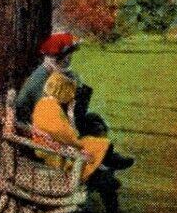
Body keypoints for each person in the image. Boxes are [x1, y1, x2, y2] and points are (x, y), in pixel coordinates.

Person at [17, 32, 134, 166]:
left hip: (58, 122)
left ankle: (105, 158)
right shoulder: (41, 80)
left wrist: (78, 95)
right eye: (65, 57)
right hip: (41, 134)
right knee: (83, 129)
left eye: (69, 56)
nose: (68, 60)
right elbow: (50, 115)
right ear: (55, 58)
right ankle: (99, 165)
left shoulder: (59, 73)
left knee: (94, 120)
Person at [31, 72, 123, 213]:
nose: (71, 96)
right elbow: (71, 136)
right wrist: (71, 115)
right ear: (62, 91)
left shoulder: (45, 104)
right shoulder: (51, 108)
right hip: (57, 157)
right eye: (69, 92)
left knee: (96, 149)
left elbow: (68, 137)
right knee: (100, 170)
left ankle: (111, 163)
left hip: (58, 151)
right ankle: (111, 167)